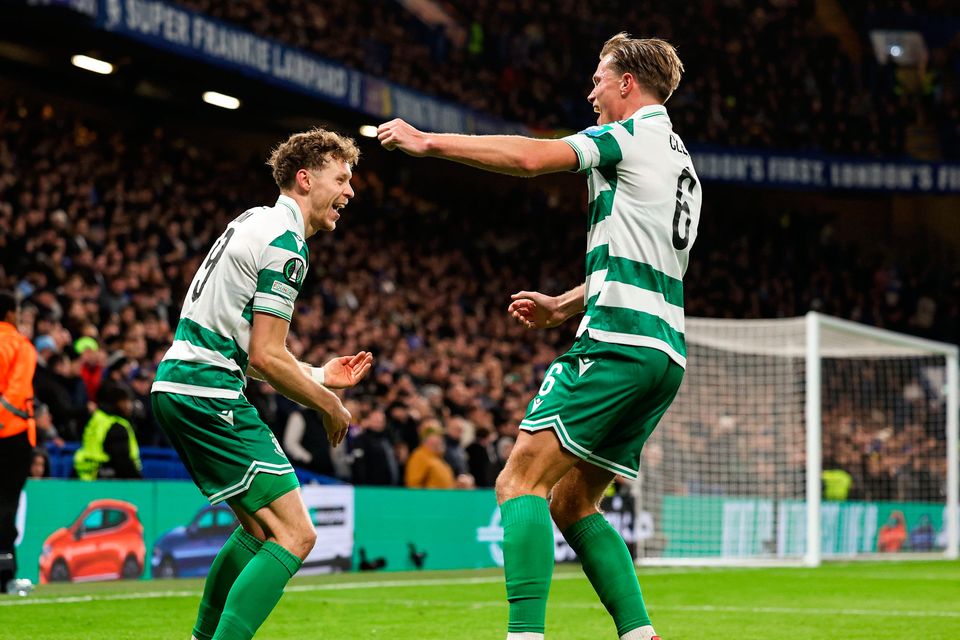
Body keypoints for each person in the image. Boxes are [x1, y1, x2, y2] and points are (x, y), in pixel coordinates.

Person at [379, 33, 698, 640]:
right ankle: (639, 634)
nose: (591, 91)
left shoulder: (629, 135)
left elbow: (530, 158)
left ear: (627, 83)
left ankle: (524, 635)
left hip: (617, 342)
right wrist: (566, 301)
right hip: (665, 355)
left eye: (599, 79)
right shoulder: (684, 165)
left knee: (518, 480)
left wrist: (428, 141)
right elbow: (647, 260)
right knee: (573, 503)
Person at [150, 128, 373, 640]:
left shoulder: (252, 220)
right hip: (209, 391)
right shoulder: (287, 243)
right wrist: (328, 404)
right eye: (340, 178)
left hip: (180, 382)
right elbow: (267, 357)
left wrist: (318, 374)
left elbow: (249, 350)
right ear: (305, 179)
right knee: (296, 534)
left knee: (259, 529)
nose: (350, 191)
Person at [0, 291, 37, 593]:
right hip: (11, 435)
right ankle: (5, 575)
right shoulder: (19, 345)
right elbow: (15, 392)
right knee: (6, 505)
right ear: (11, 313)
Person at [73, 382, 143, 480]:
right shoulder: (117, 426)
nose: (129, 406)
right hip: (106, 480)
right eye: (127, 401)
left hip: (86, 476)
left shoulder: (97, 417)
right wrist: (140, 482)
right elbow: (122, 462)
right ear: (119, 402)